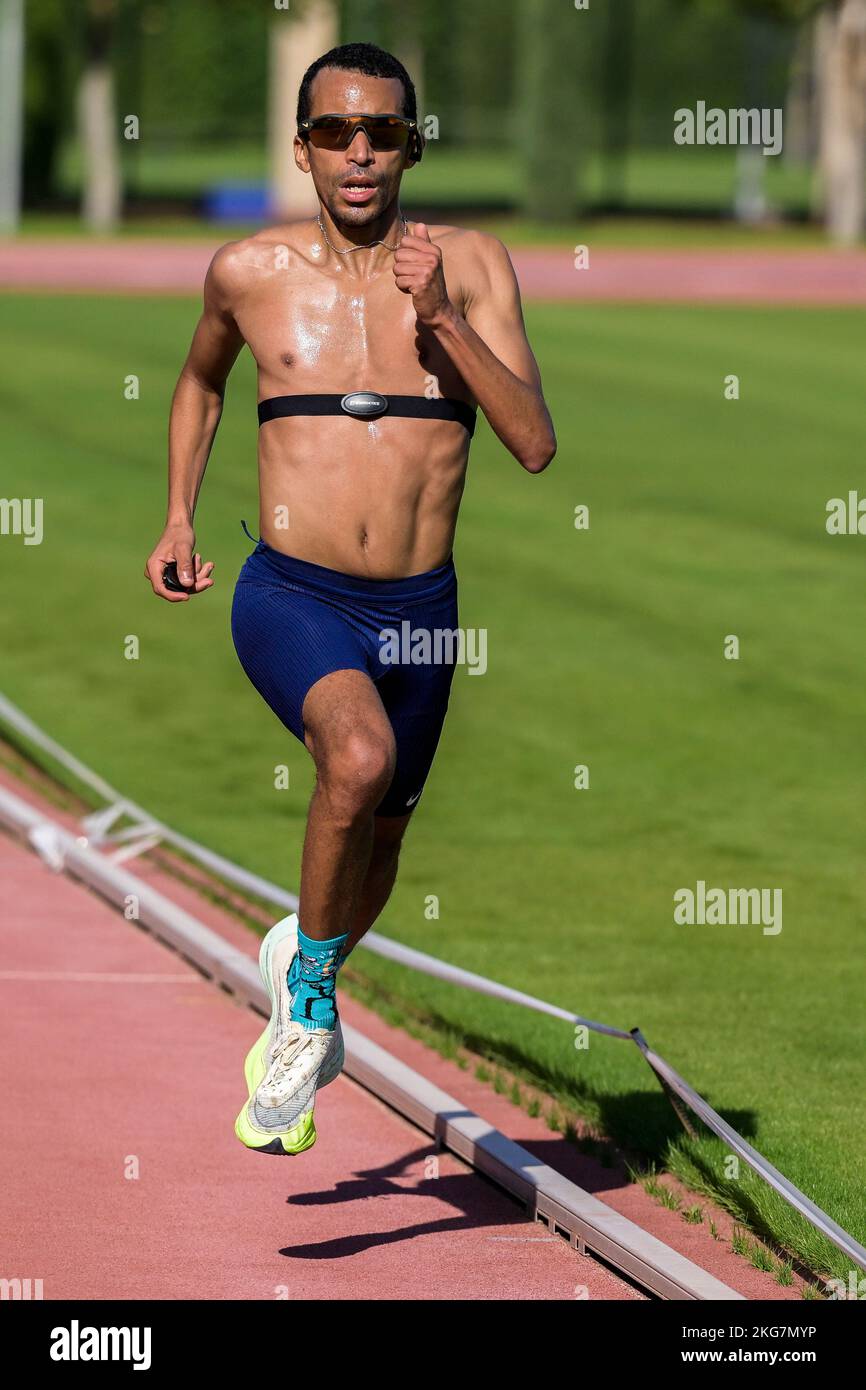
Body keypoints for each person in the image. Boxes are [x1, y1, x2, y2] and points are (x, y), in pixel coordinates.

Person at [144, 42, 556, 1156]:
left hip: (424, 610)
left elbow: (532, 444)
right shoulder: (247, 270)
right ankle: (308, 1016)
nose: (358, 153)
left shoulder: (467, 265)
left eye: (380, 131)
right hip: (292, 591)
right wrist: (179, 515)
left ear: (412, 144)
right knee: (355, 757)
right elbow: (198, 381)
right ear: (302, 147)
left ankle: (300, 952)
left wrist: (445, 322)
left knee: (376, 851)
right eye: (334, 132)